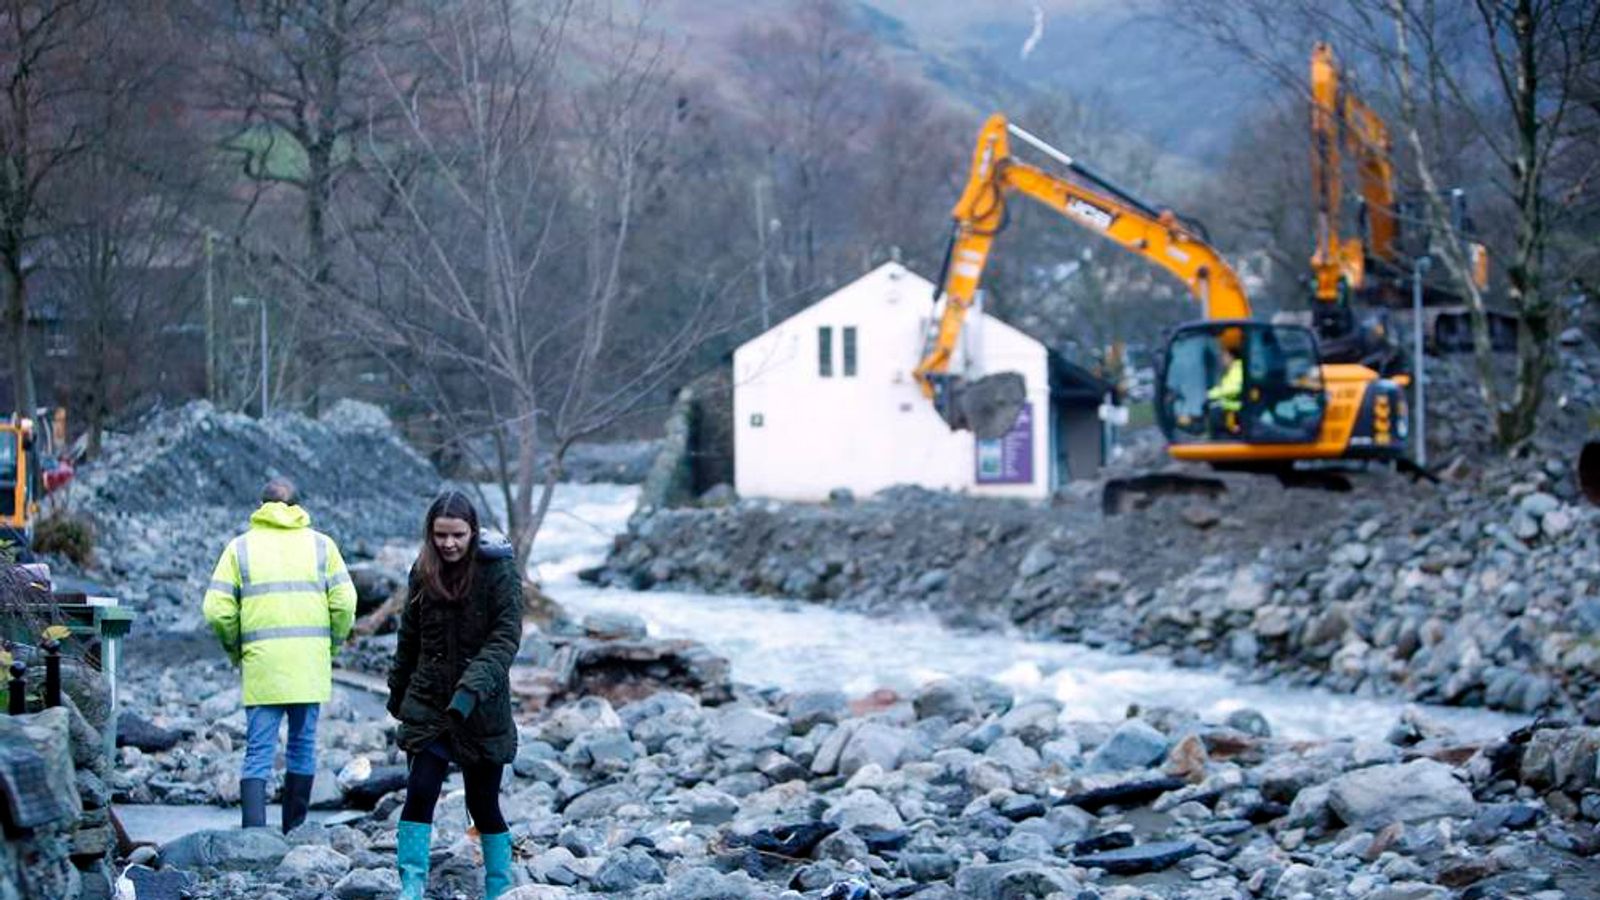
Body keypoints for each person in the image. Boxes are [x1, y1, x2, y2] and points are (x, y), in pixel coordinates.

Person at [387, 492, 522, 900]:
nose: (448, 544)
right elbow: (409, 637)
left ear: (472, 532)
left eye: (457, 535)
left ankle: (498, 887)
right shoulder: (422, 571)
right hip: (429, 705)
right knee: (421, 789)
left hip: (481, 708)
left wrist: (469, 691)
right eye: (440, 535)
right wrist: (399, 692)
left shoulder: (499, 572)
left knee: (483, 805)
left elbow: (504, 639)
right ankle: (411, 885)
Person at [203, 478, 357, 832]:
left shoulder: (240, 548)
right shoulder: (323, 546)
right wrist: (331, 644)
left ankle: (254, 835)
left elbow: (215, 609)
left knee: (258, 752)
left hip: (262, 665)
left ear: (261, 506)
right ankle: (296, 831)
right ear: (300, 507)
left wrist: (235, 646)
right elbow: (346, 603)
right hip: (308, 664)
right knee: (303, 747)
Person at [1207, 344, 1244, 428]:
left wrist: (1210, 394)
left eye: (1223, 356)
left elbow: (1233, 388)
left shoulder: (1239, 368)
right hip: (1228, 410)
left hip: (1237, 411)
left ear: (1231, 356)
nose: (1221, 359)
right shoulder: (1230, 371)